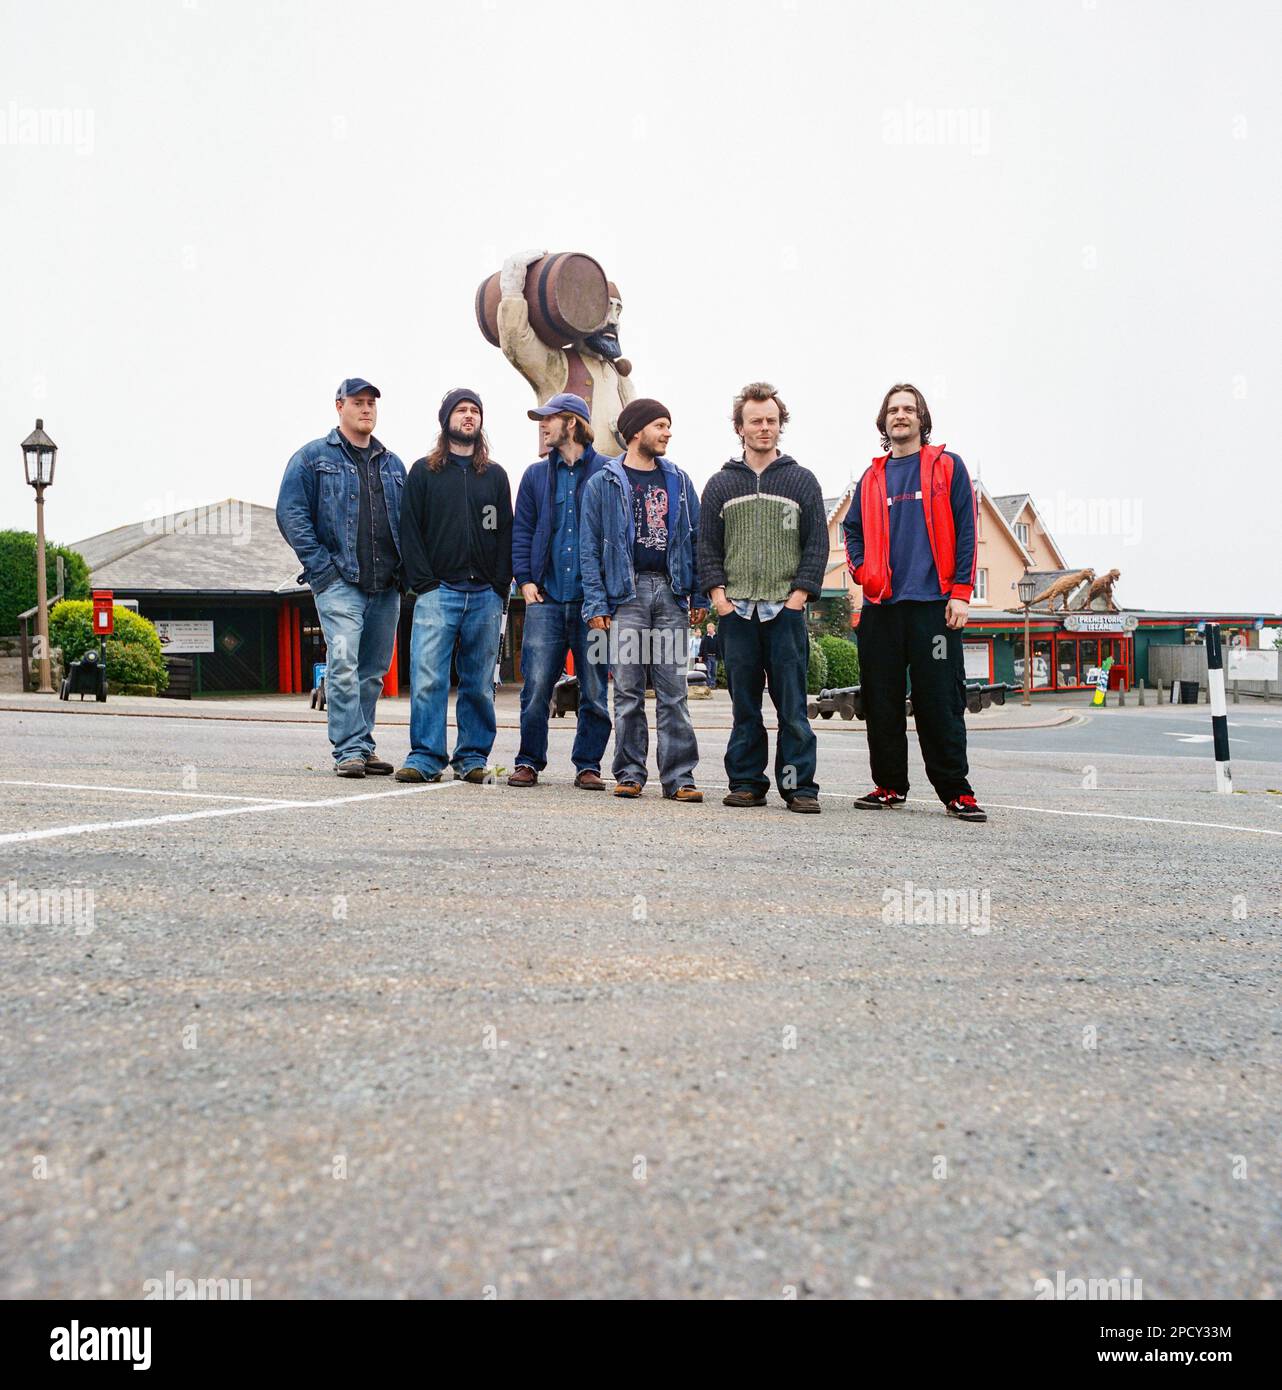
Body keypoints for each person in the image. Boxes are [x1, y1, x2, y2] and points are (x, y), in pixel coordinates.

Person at [842, 383, 987, 821]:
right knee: (881, 699)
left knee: (939, 700)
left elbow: (967, 530)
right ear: (884, 422)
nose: (900, 416)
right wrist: (864, 572)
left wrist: (962, 592)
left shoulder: (947, 466)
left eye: (909, 409)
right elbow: (851, 532)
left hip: (935, 606)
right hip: (882, 607)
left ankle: (956, 791)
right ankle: (888, 785)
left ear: (922, 419)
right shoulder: (871, 477)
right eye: (893, 410)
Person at [697, 382, 827, 813]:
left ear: (780, 424)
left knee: (792, 709)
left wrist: (798, 596)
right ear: (740, 427)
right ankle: (748, 783)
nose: (765, 427)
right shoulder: (720, 484)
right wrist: (719, 599)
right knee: (745, 708)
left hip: (784, 612)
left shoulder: (801, 480)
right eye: (756, 420)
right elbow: (707, 548)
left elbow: (817, 546)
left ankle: (798, 788)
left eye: (772, 420)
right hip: (737, 612)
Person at [276, 378, 405, 778]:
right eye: (358, 402)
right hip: (339, 582)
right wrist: (323, 569)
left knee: (373, 671)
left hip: (386, 584)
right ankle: (347, 749)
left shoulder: (394, 464)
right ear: (339, 407)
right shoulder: (313, 458)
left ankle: (363, 745)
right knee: (344, 662)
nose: (367, 409)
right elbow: (291, 513)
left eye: (372, 404)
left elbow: (409, 523)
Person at [580, 397, 706, 801]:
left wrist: (699, 591)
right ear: (636, 431)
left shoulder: (680, 481)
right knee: (628, 691)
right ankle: (630, 772)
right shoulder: (604, 481)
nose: (668, 433)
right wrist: (596, 603)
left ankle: (679, 777)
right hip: (626, 596)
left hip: (670, 593)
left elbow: (697, 539)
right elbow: (589, 547)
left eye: (668, 426)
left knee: (673, 691)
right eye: (660, 425)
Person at [396, 389, 513, 784]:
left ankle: (472, 759)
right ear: (445, 419)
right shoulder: (423, 473)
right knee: (429, 678)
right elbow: (409, 530)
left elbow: (504, 532)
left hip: (485, 596)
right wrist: (424, 584)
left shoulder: (494, 476)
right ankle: (426, 758)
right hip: (438, 592)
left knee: (479, 682)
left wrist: (499, 584)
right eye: (461, 410)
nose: (469, 416)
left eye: (475, 411)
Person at [506, 393, 611, 789]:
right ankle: (529, 761)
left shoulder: (607, 472)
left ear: (572, 423)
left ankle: (588, 765)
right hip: (545, 601)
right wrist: (525, 579)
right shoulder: (534, 476)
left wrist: (609, 595)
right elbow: (523, 531)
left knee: (596, 686)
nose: (542, 426)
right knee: (534, 686)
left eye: (548, 420)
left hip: (593, 605)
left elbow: (615, 536)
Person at [497, 249, 637, 452]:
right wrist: (512, 290)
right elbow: (517, 342)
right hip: (569, 476)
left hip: (614, 480)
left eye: (618, 311)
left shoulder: (620, 376)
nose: (613, 321)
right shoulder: (560, 365)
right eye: (606, 310)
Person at [701, 622, 719, 690]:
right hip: (707, 656)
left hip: (715, 656)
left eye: (709, 628)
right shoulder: (705, 637)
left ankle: (713, 684)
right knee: (708, 670)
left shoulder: (717, 637)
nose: (708, 630)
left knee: (714, 671)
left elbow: (719, 647)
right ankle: (708, 684)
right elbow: (702, 647)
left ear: (713, 628)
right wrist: (700, 655)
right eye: (707, 628)